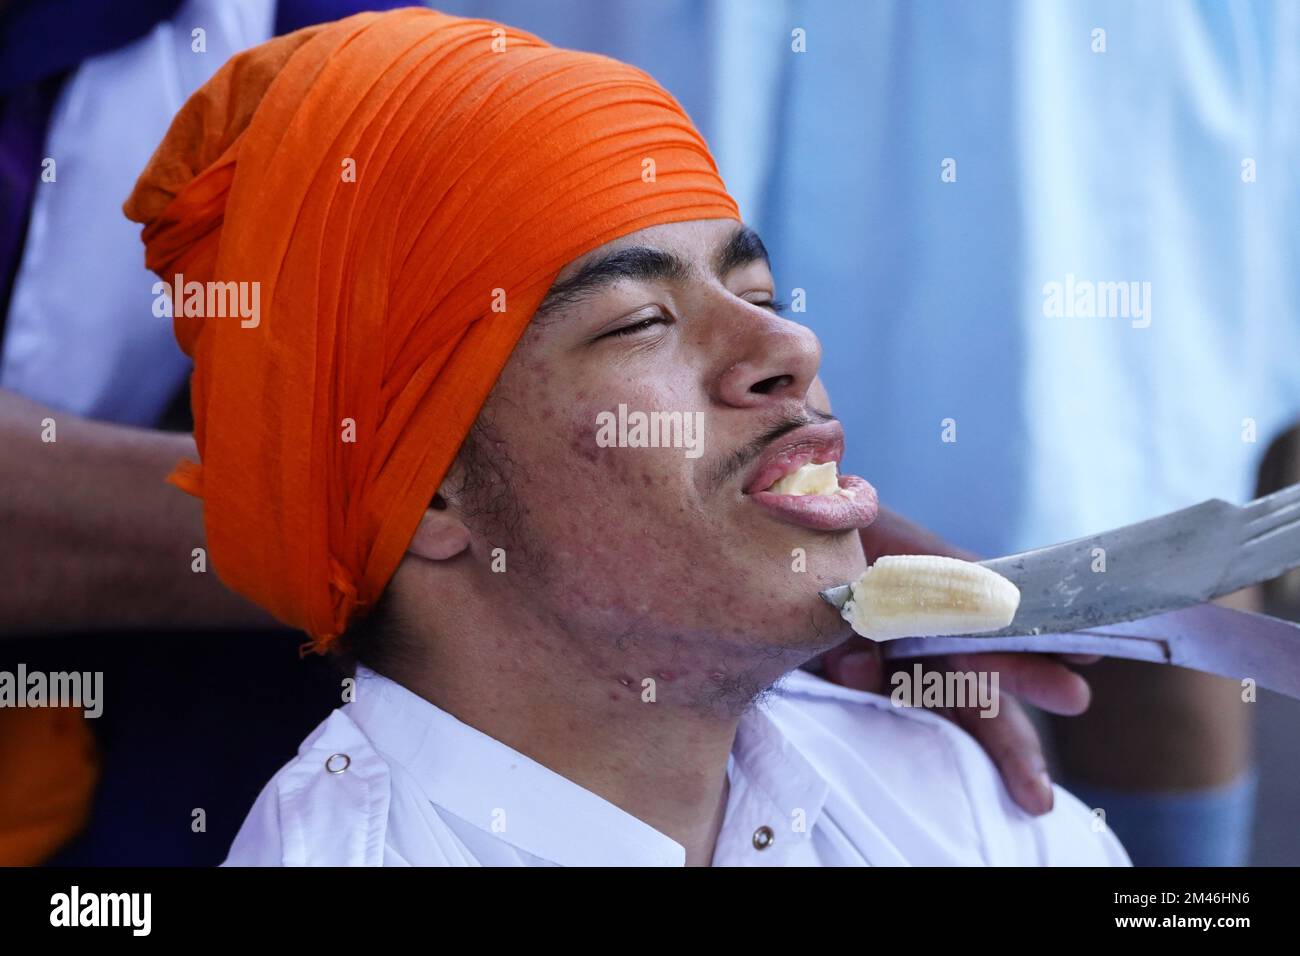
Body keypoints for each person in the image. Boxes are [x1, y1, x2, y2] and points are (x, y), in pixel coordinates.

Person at [124, 7, 1128, 866]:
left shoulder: (957, 797)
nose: (789, 344)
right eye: (640, 320)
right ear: (429, 490)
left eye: (757, 292)